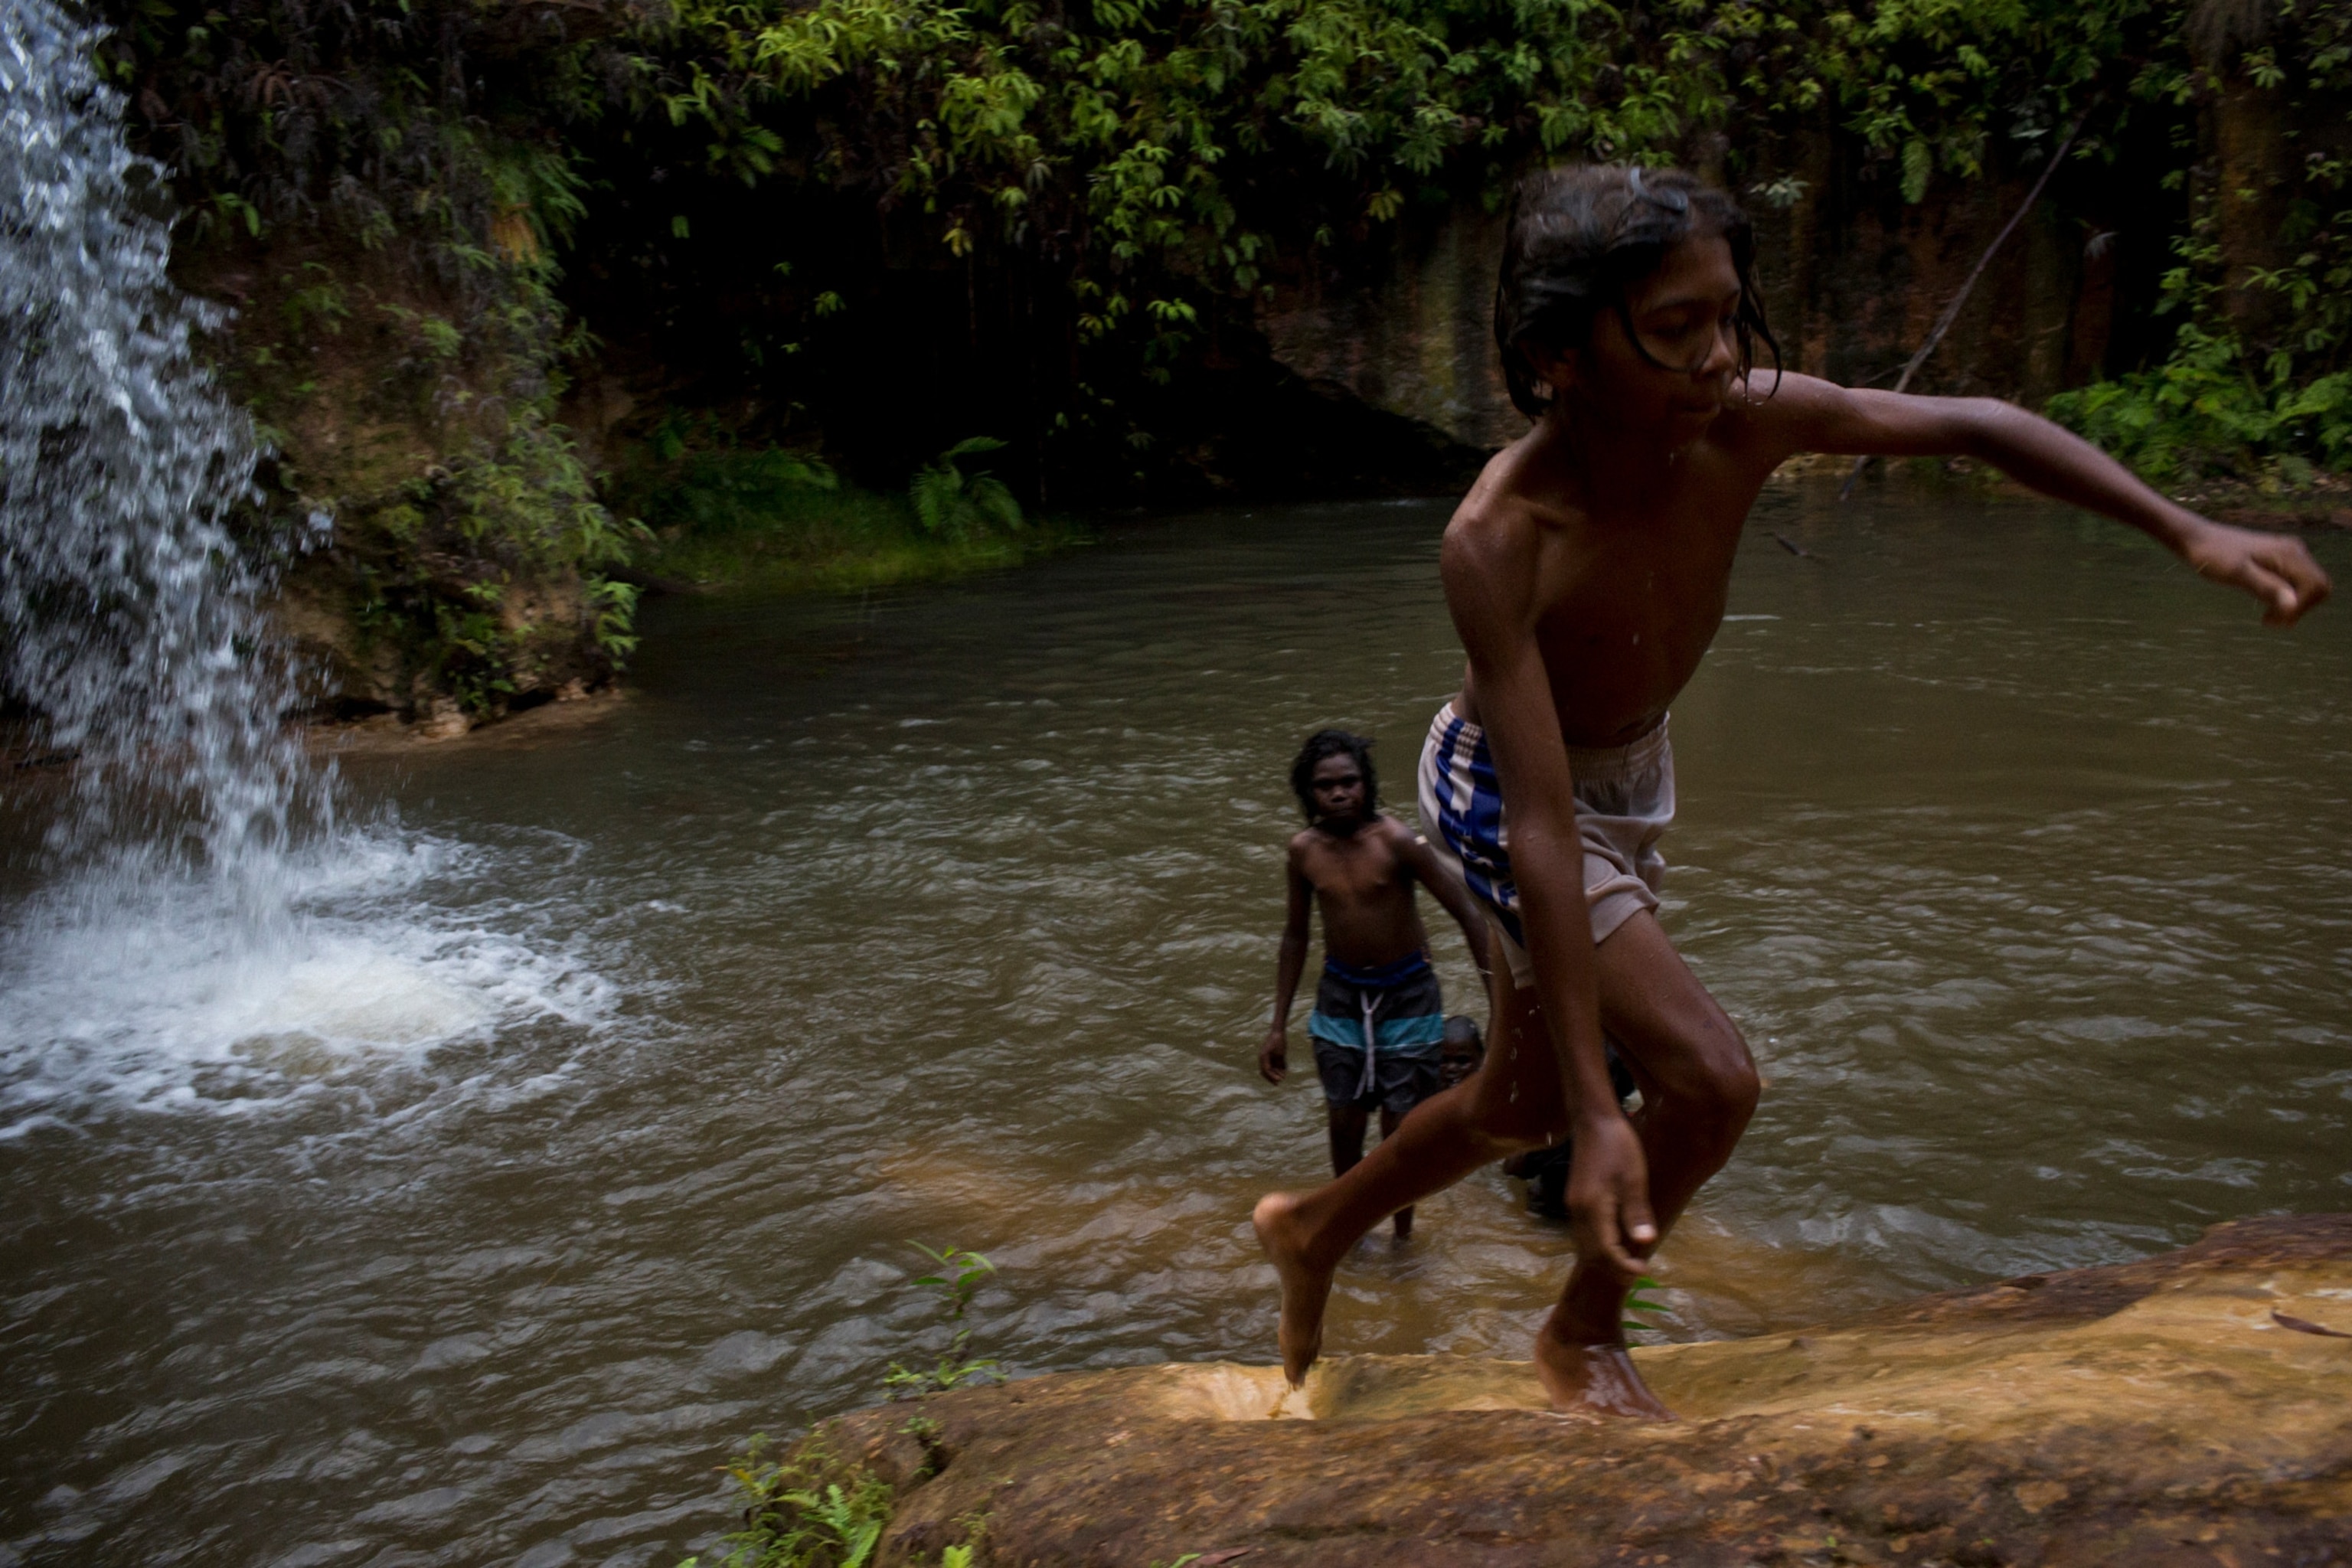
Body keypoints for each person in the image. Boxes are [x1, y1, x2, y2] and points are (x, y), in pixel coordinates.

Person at [1253, 163, 2331, 1418]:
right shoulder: (1501, 538)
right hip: (1505, 786)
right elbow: (1539, 824)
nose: (1719, 357)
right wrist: (1606, 1115)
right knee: (1710, 1081)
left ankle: (1313, 1227)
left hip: (1631, 761)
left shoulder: (1745, 420)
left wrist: (2186, 529)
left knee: (1522, 1100)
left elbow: (1979, 423)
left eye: (1728, 315)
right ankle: (1580, 1334)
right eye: (1675, 328)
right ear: (1557, 356)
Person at [1259, 730, 1492, 1240]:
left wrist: (1499, 1000)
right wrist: (1277, 1026)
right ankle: (1350, 1231)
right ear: (1308, 793)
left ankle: (1402, 1235)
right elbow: (1295, 936)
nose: (1340, 793)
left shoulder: (1397, 842)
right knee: (1344, 1123)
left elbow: (1468, 915)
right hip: (1341, 994)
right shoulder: (1303, 852)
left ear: (1366, 784)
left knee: (1400, 1128)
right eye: (1326, 786)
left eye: (1349, 782)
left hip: (1408, 993)